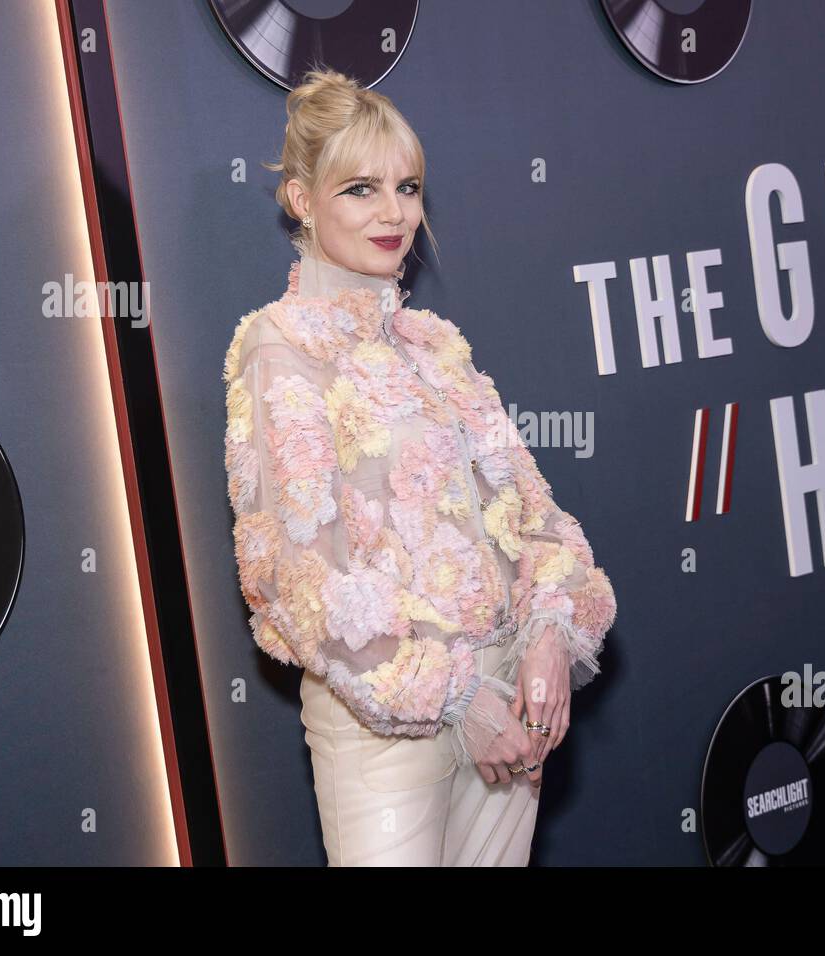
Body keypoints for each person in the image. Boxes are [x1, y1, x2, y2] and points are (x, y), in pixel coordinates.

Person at [222, 69, 617, 866]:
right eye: (361, 189)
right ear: (302, 200)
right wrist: (458, 697)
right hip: (384, 731)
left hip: (512, 711)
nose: (395, 212)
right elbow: (297, 581)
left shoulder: (437, 346)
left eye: (407, 187)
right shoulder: (278, 350)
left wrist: (550, 635)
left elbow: (533, 514)